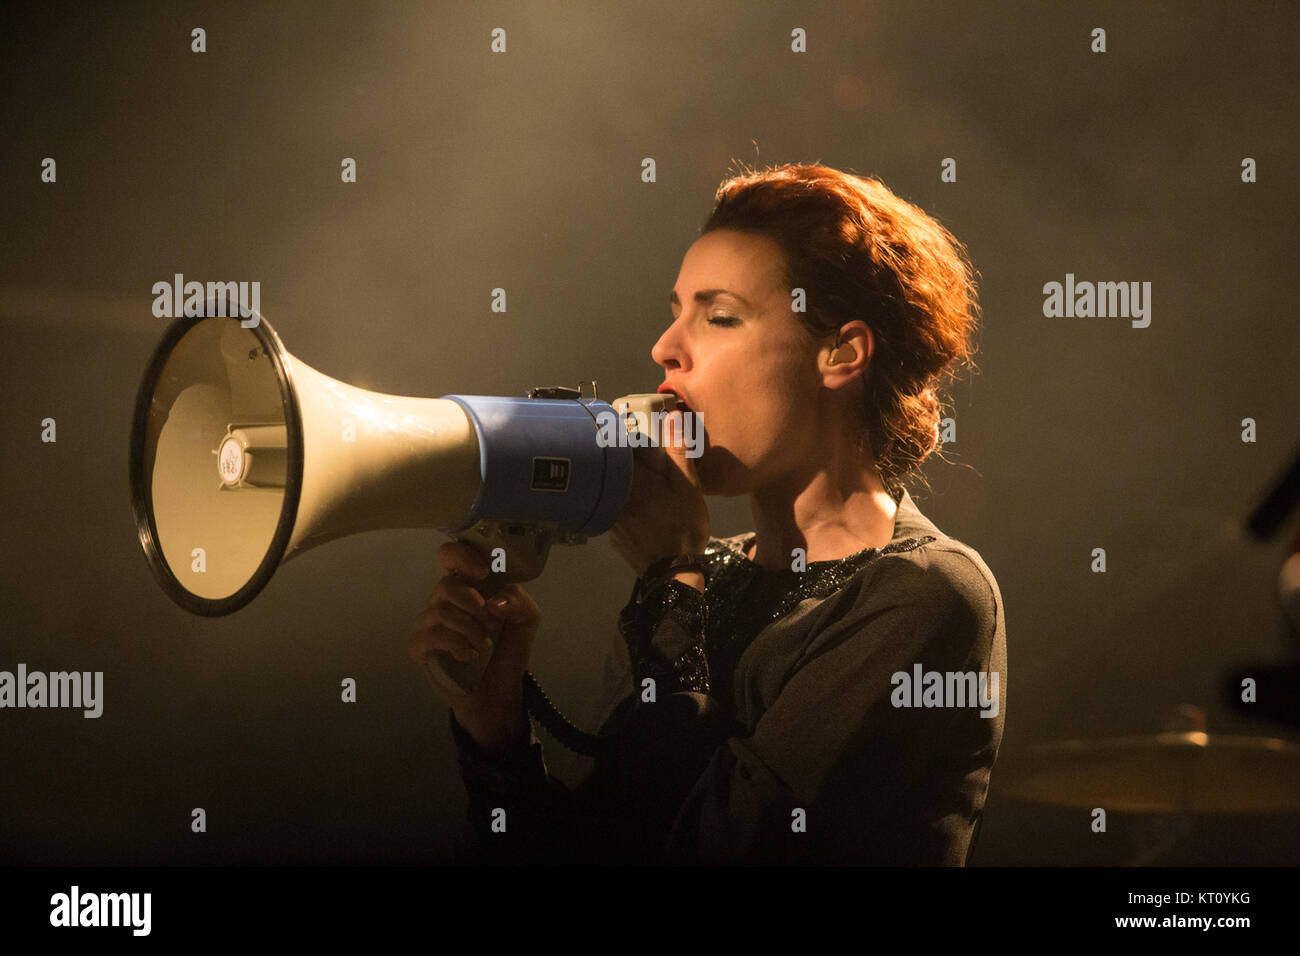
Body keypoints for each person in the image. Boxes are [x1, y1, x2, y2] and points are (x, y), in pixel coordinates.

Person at [409, 163, 1006, 865]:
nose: (665, 349)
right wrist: (498, 737)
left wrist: (673, 578)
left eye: (719, 317)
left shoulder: (927, 593)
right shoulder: (702, 578)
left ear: (840, 352)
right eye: (675, 312)